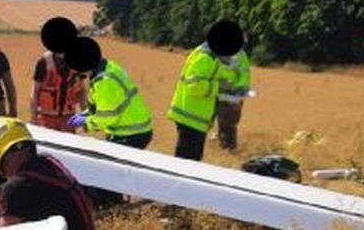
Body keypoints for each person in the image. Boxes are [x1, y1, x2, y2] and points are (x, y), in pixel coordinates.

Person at [65, 37, 153, 207]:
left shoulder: (105, 81)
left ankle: (112, 209)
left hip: (131, 133)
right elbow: (100, 106)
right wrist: (85, 113)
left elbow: (106, 117)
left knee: (108, 175)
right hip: (130, 130)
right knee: (110, 172)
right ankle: (114, 204)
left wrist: (85, 123)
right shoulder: (104, 70)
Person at [167, 21, 242, 161]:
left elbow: (216, 77)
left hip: (196, 120)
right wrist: (219, 87)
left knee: (192, 163)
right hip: (190, 118)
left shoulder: (214, 56)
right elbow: (196, 85)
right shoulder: (205, 57)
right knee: (185, 165)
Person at [30, 51, 86, 130]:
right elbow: (35, 92)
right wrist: (34, 118)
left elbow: (81, 91)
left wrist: (84, 115)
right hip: (46, 119)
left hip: (68, 118)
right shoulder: (44, 62)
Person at [215, 48, 251, 150]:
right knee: (221, 125)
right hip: (215, 93)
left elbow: (244, 77)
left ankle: (228, 150)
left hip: (230, 97)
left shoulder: (240, 54)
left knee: (227, 126)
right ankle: (223, 147)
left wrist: (238, 98)